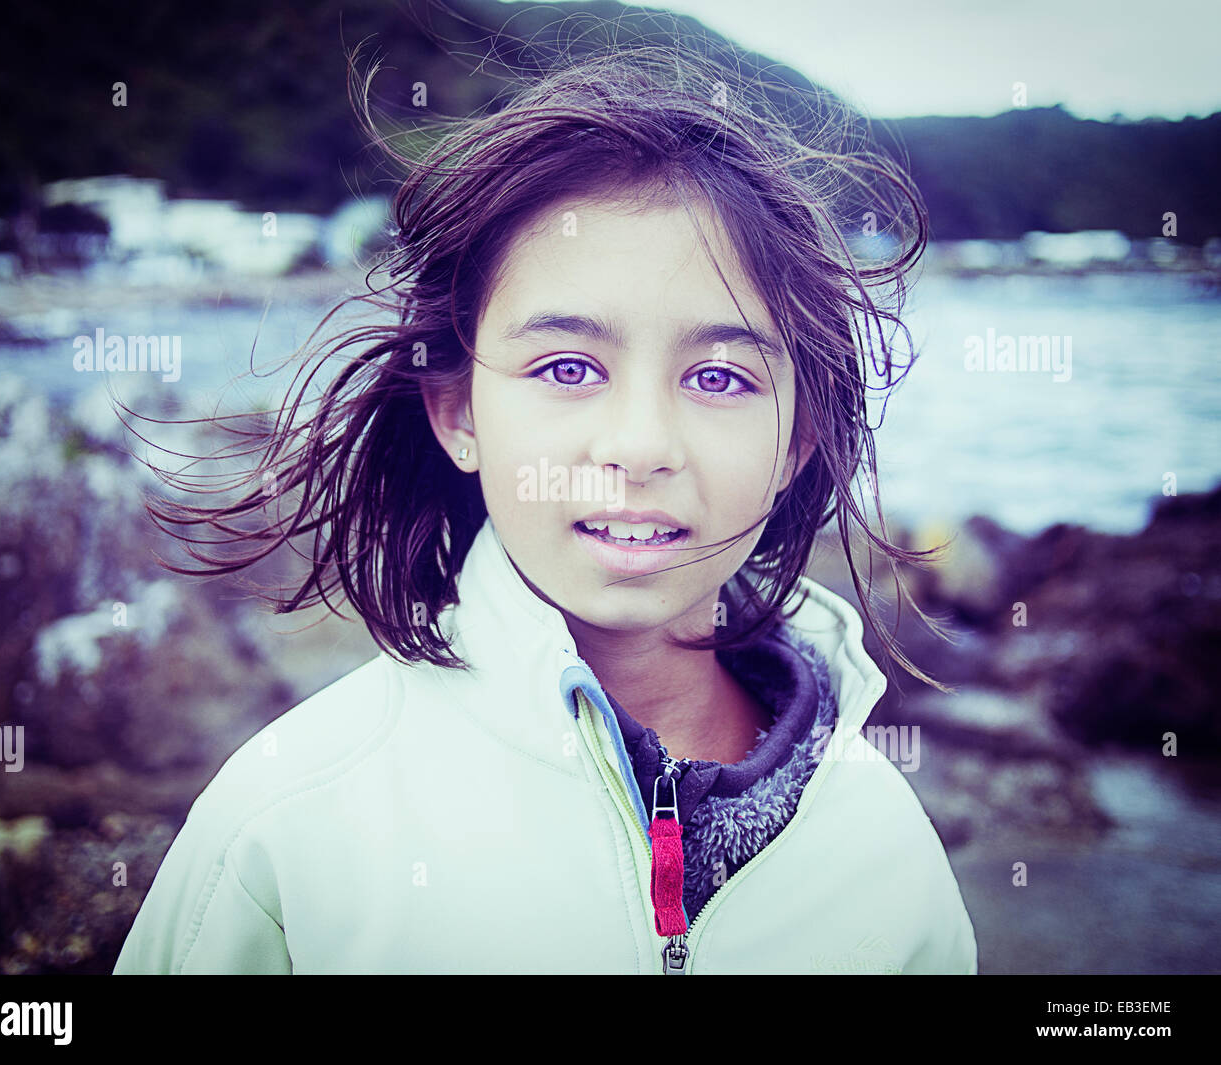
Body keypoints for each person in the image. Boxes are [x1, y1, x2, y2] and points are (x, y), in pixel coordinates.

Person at [113, 39, 977, 975]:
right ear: (457, 412)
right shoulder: (290, 825)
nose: (641, 445)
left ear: (797, 441)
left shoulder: (881, 846)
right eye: (568, 368)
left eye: (720, 376)